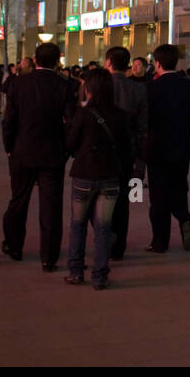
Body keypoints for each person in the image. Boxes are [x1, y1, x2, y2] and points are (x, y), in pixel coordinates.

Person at [2, 42, 78, 272]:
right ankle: (49, 256)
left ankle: (15, 246)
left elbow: (9, 120)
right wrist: (66, 149)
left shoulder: (18, 83)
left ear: (35, 60)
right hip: (52, 152)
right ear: (57, 62)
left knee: (18, 200)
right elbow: (71, 121)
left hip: (22, 150)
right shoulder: (64, 85)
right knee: (51, 206)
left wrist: (9, 147)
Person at [62, 67, 132, 289]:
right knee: (103, 227)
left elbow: (70, 144)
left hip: (84, 174)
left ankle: (76, 271)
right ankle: (100, 276)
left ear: (89, 89)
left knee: (78, 224)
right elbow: (127, 149)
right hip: (110, 176)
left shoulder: (82, 114)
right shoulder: (121, 116)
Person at [144, 44, 190, 253]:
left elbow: (146, 120)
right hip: (182, 147)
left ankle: (160, 242)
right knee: (179, 187)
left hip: (157, 148)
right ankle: (184, 218)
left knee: (158, 196)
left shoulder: (151, 87)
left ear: (157, 63)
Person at [103, 46, 148, 261]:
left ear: (108, 62)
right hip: (127, 151)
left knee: (98, 197)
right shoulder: (138, 90)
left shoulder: (98, 86)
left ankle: (103, 238)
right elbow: (143, 126)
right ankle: (118, 245)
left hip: (100, 150)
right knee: (122, 199)